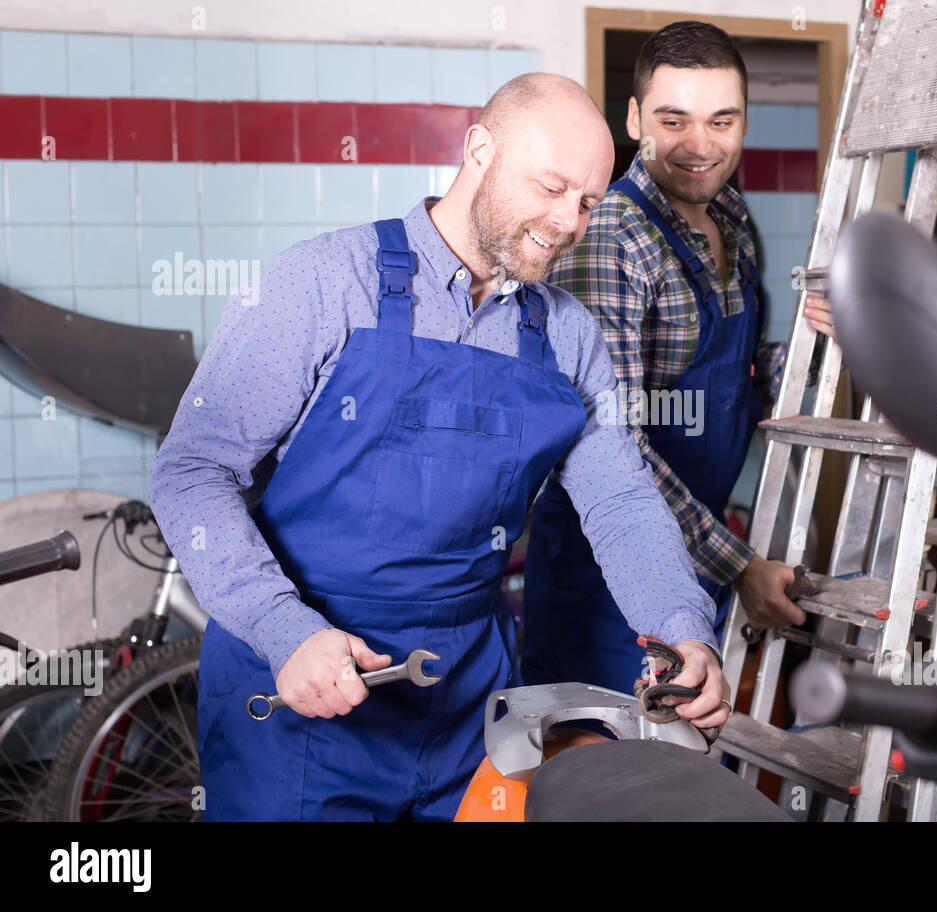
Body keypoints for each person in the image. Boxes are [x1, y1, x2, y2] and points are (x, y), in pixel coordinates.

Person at [148, 73, 729, 821]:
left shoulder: (569, 337)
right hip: (300, 699)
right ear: (479, 149)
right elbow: (193, 471)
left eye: (588, 202)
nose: (566, 223)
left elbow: (618, 500)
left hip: (469, 708)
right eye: (550, 188)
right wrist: (282, 628)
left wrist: (684, 627)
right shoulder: (320, 284)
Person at [522, 22, 835, 693]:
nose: (700, 146)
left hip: (697, 556)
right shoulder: (614, 238)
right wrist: (739, 565)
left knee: (681, 769)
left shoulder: (730, 215)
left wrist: (821, 346)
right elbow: (614, 445)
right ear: (636, 119)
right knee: (611, 776)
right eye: (674, 120)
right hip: (606, 576)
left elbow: (742, 374)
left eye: (722, 121)